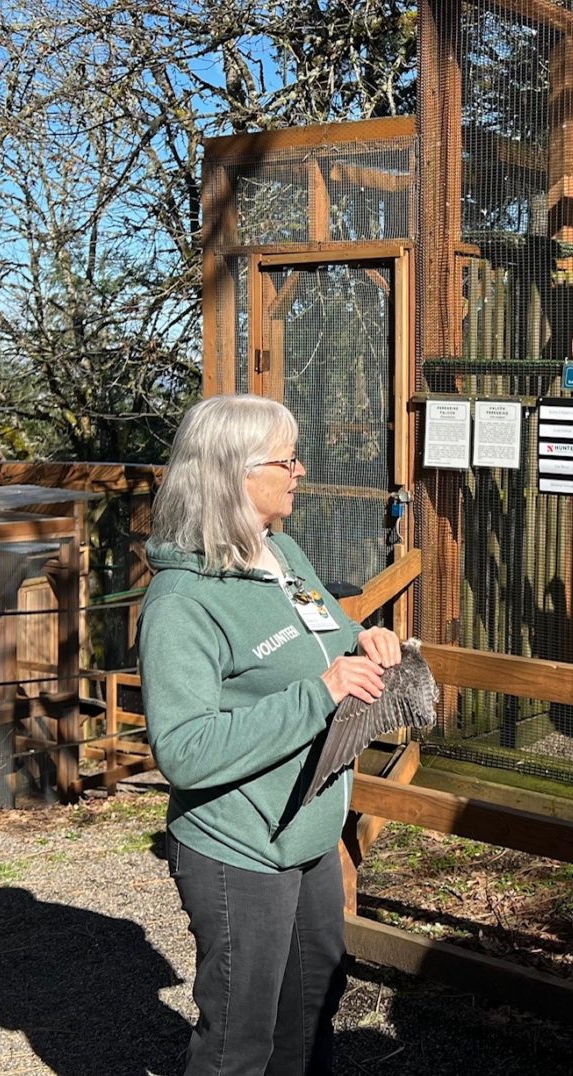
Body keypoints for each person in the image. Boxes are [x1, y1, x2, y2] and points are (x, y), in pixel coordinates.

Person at [139, 394, 402, 1076]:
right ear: (234, 473)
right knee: (240, 1039)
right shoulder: (181, 603)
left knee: (314, 1003)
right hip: (240, 847)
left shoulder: (280, 553)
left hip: (309, 833)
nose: (300, 471)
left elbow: (325, 632)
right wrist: (320, 695)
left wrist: (364, 639)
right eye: (286, 460)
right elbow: (184, 751)